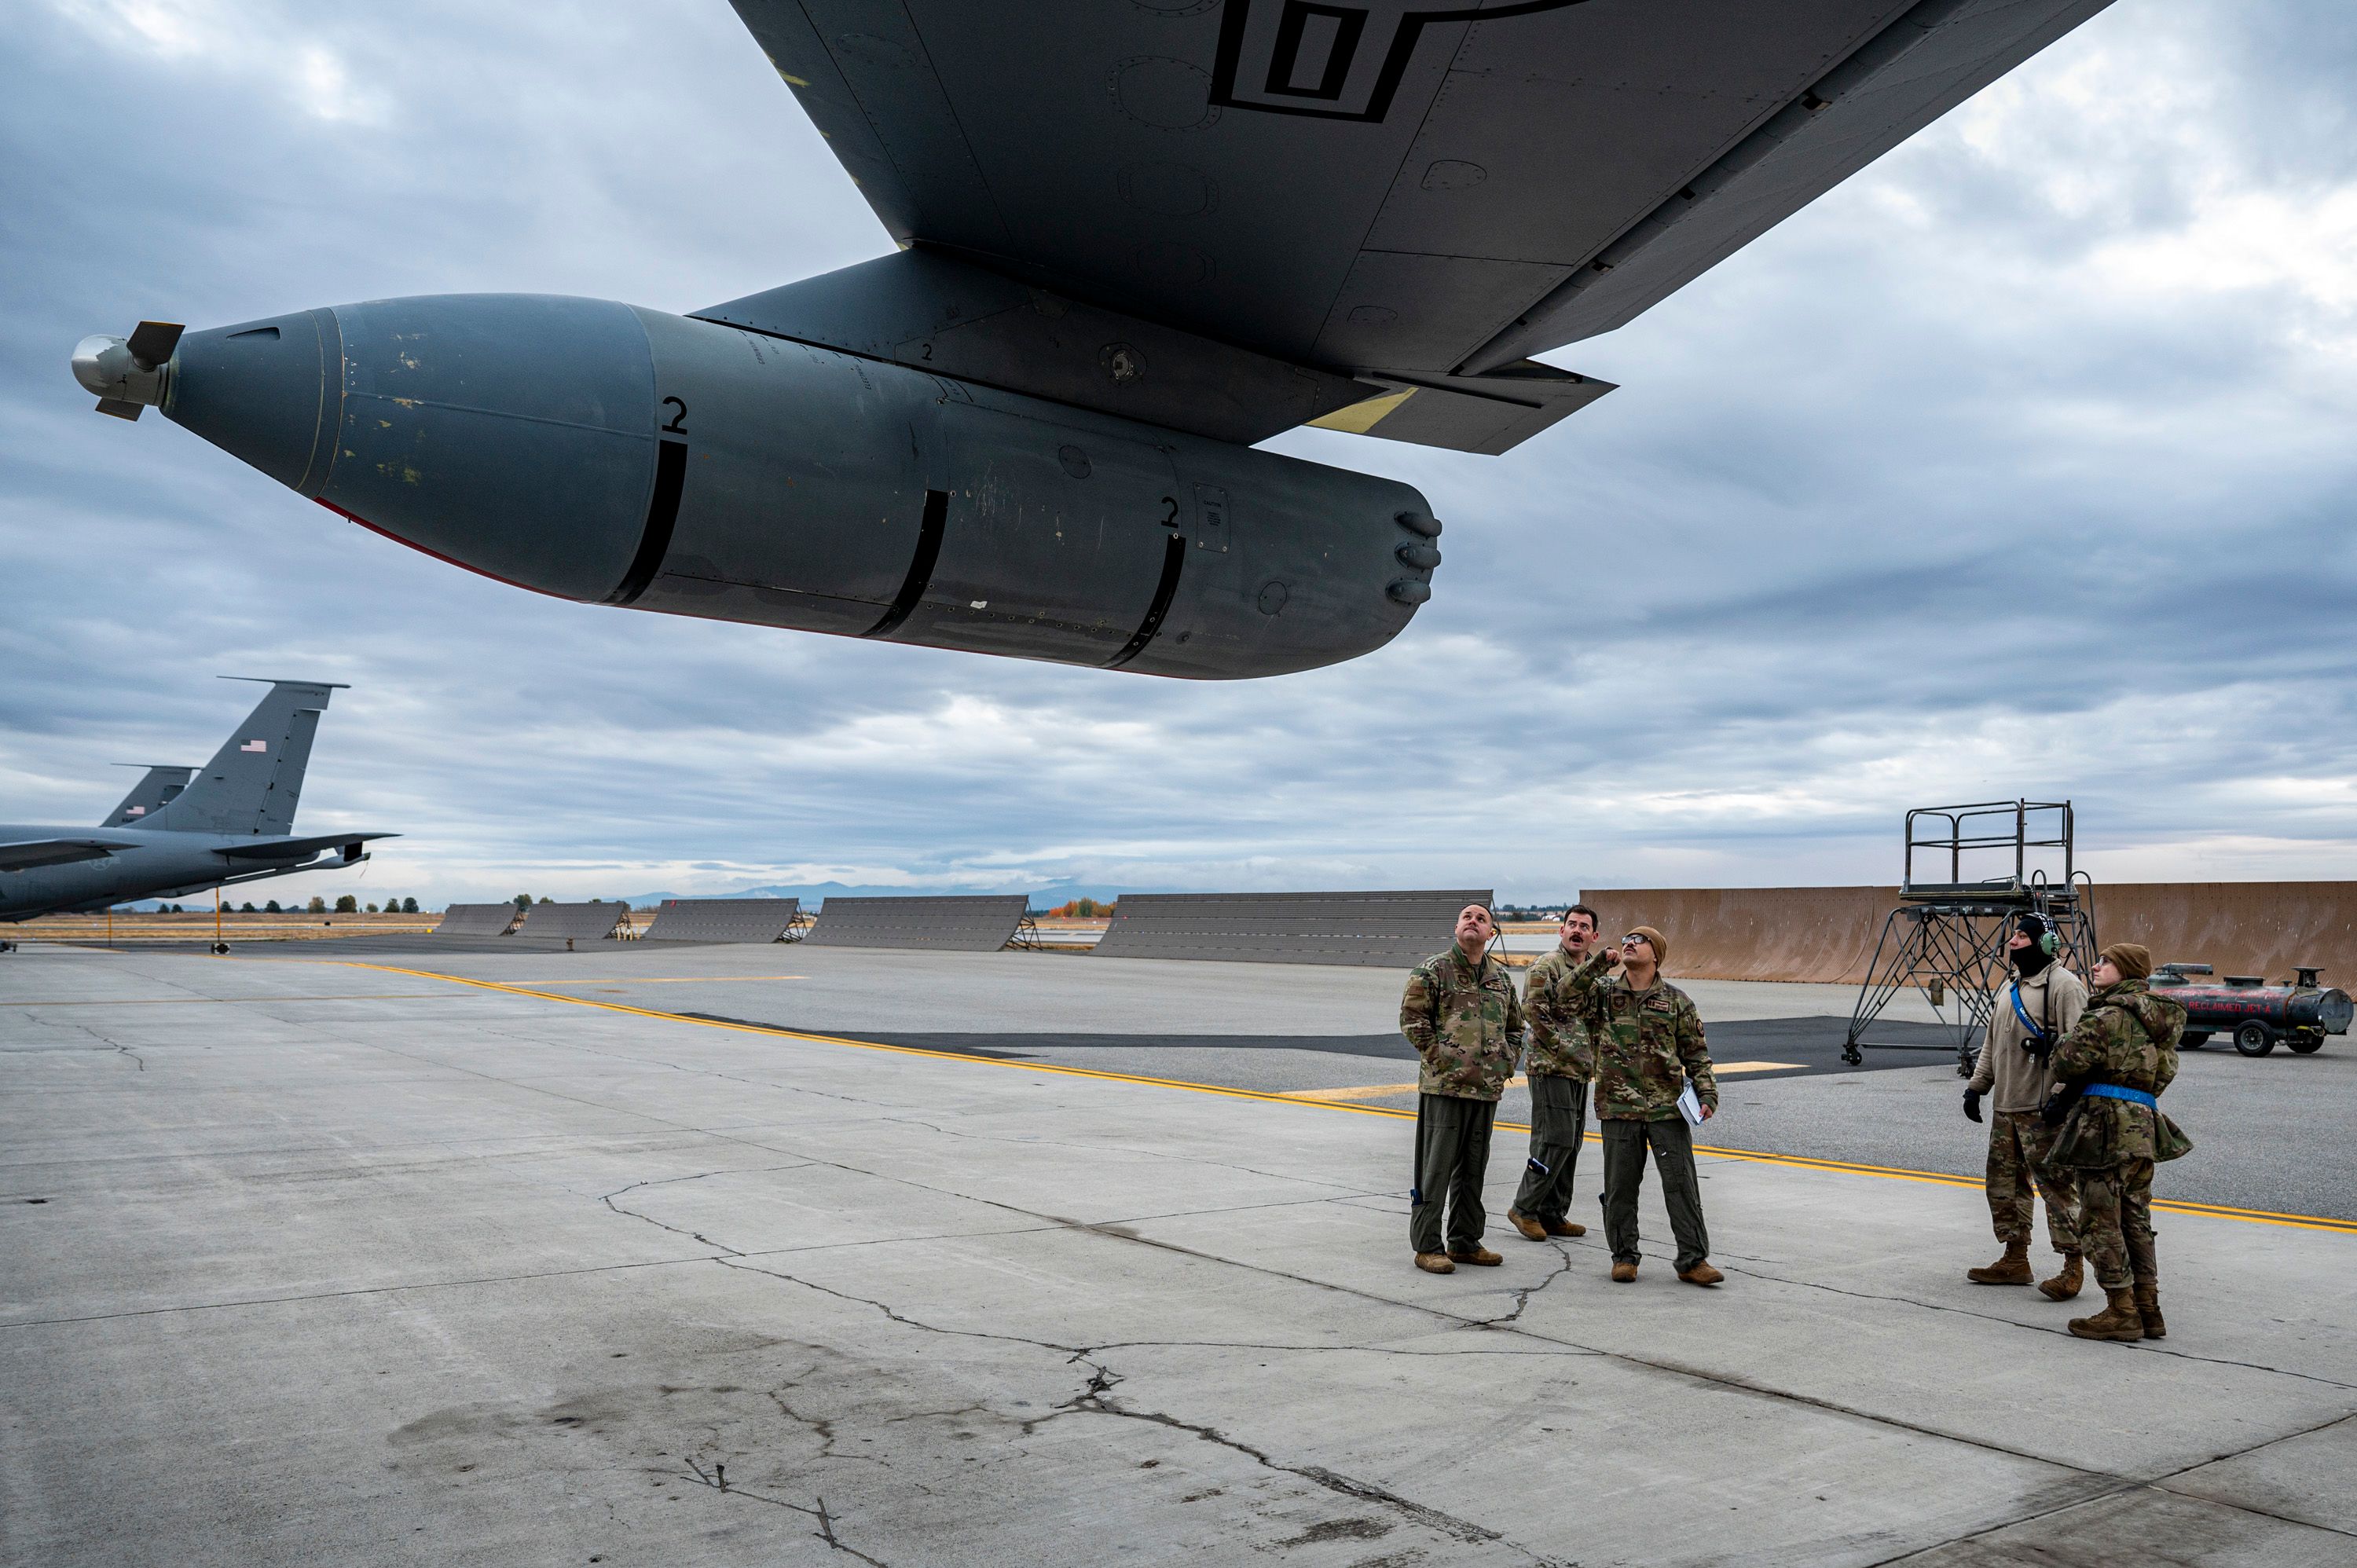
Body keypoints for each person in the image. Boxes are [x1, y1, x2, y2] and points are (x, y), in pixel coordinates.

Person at [2041, 942, 2193, 1342]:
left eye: (2106, 961)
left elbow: (2065, 1063)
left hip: (2104, 1129)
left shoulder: (2107, 1015)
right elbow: (2164, 1073)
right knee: (2136, 1220)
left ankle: (2121, 1310)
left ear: (2125, 970)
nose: (2096, 966)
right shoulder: (2159, 1021)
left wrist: (2059, 1044)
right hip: (2143, 1126)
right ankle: (2148, 1309)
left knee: (2100, 1220)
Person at [1559, 925, 1723, 1286]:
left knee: (1681, 1185)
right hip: (1619, 1107)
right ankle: (1624, 1256)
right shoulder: (1603, 994)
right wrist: (1598, 964)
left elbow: (1696, 1053)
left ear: (1656, 954)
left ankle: (1692, 1260)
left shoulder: (1677, 1001)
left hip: (1667, 1110)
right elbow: (1564, 996)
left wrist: (1707, 1094)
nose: (1629, 944)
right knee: (1620, 1188)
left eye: (1639, 940)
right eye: (1626, 940)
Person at [1963, 912, 2089, 1298]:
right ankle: (2015, 1258)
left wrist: (2063, 1096)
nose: (2013, 942)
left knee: (2057, 1189)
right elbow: (1992, 1043)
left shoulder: (2065, 987)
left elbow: (2081, 1050)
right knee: (2004, 1186)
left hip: (2043, 1109)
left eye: (2021, 935)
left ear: (2045, 943)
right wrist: (1977, 1087)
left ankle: (2073, 1266)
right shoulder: (2011, 986)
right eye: (2013, 935)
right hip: (2007, 1107)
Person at [1398, 903, 1527, 1274]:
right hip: (1445, 1089)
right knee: (1435, 1170)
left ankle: (1465, 1241)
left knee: (1473, 1170)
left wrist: (1505, 1061)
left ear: (1491, 934)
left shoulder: (1501, 979)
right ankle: (1427, 1245)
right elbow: (1411, 1017)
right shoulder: (1434, 970)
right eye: (1467, 917)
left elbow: (1516, 1027)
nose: (1473, 921)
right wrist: (1439, 1058)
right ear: (1456, 928)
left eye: (1481, 918)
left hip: (1485, 1091)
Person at [1507, 905, 1602, 1242]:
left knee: (1571, 1142)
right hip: (1551, 1066)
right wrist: (1562, 1046)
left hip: (1579, 1069)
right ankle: (1524, 1208)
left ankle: (1553, 1212)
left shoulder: (1594, 972)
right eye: (1571, 924)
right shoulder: (1547, 965)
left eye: (1584, 926)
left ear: (1594, 936)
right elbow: (1532, 1009)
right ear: (1561, 931)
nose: (1577, 930)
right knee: (1554, 1138)